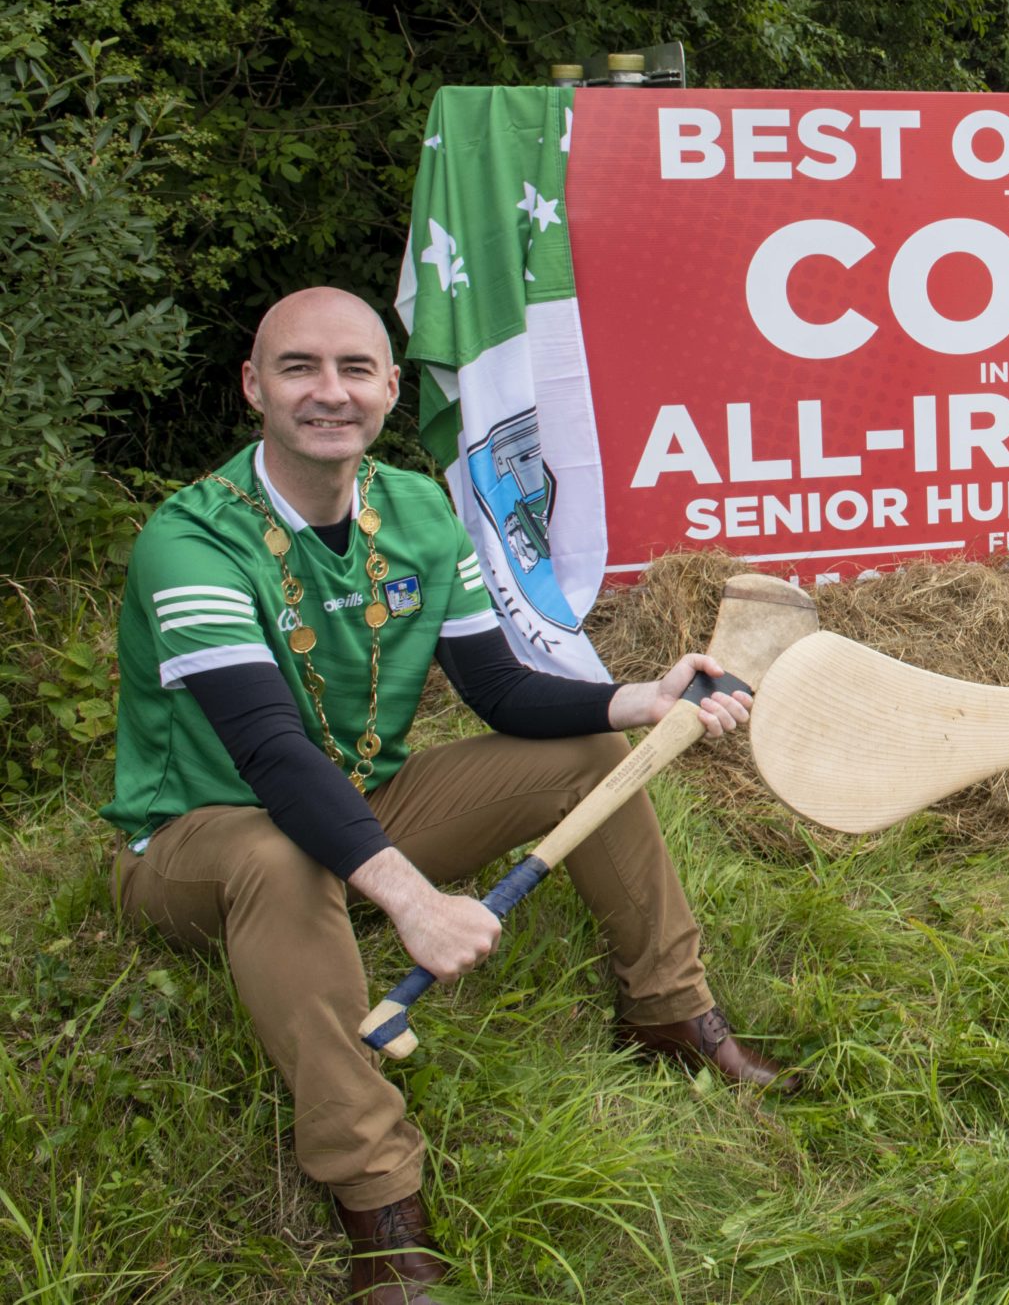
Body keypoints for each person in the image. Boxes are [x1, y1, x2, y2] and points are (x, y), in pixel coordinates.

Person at [104, 287, 803, 1305]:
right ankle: (379, 1204)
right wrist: (411, 897)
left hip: (356, 806)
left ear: (390, 387)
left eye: (355, 369)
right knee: (278, 850)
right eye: (299, 368)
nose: (329, 392)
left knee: (592, 757)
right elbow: (269, 753)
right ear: (254, 387)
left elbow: (502, 691)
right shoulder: (192, 542)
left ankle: (668, 1014)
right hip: (196, 846)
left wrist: (637, 698)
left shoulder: (419, 508)